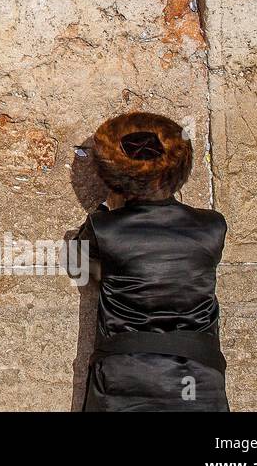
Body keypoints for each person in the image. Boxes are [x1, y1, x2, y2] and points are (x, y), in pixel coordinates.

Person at [73, 111, 229, 411]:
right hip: (198, 373)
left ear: (116, 177)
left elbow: (79, 259)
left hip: (125, 377)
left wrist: (107, 206)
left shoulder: (105, 229)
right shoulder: (212, 226)